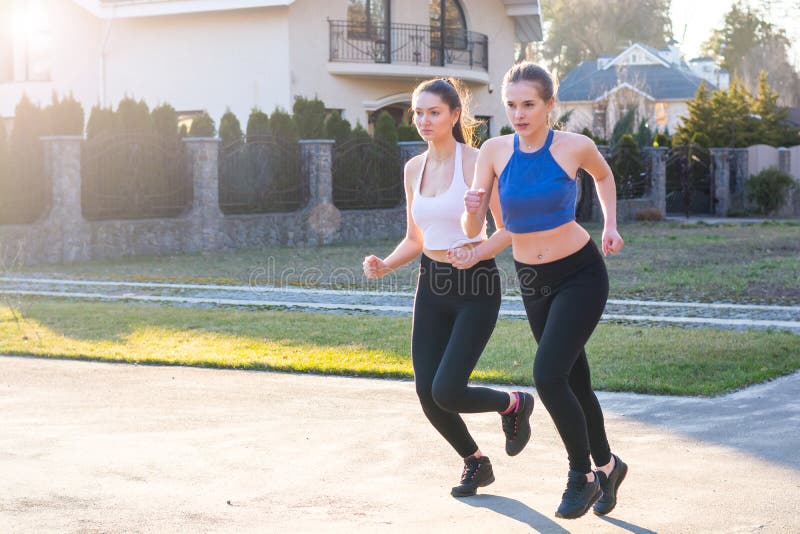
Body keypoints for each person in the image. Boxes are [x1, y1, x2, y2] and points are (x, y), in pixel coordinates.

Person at [462, 62, 628, 519]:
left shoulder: (575, 146)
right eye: (511, 104)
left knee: (548, 375)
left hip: (580, 273)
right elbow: (478, 225)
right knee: (575, 381)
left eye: (529, 104)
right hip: (532, 280)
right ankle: (609, 466)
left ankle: (583, 475)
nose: (518, 113)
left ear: (549, 105)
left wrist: (610, 224)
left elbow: (605, 177)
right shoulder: (493, 150)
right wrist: (472, 209)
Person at [362, 78, 534, 498]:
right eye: (418, 112)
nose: (423, 120)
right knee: (426, 390)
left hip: (476, 284)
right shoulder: (412, 168)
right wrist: (386, 264)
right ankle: (475, 462)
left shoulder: (479, 161)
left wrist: (474, 253)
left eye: (433, 112)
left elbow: (506, 228)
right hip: (432, 281)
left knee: (448, 389)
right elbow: (416, 238)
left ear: (455, 115)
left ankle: (513, 403)